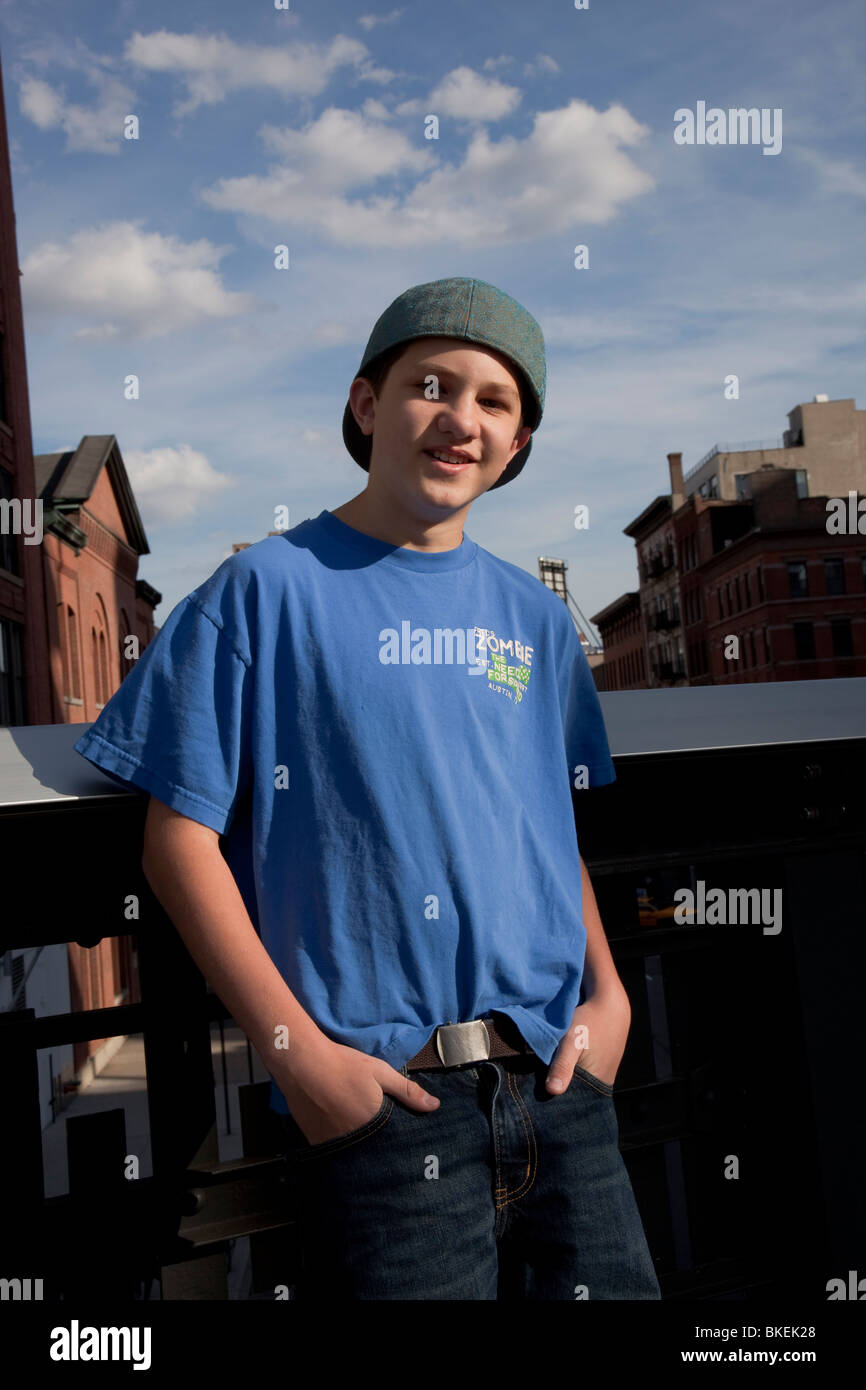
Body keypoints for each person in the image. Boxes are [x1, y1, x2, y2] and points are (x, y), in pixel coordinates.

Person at [73, 275, 660, 1301]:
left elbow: (543, 825)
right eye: (431, 385)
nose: (460, 419)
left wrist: (606, 999)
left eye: (493, 402)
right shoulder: (263, 591)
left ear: (515, 446)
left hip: (562, 1084)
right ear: (365, 404)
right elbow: (176, 844)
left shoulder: (531, 619)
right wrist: (298, 1058)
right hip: (390, 1111)